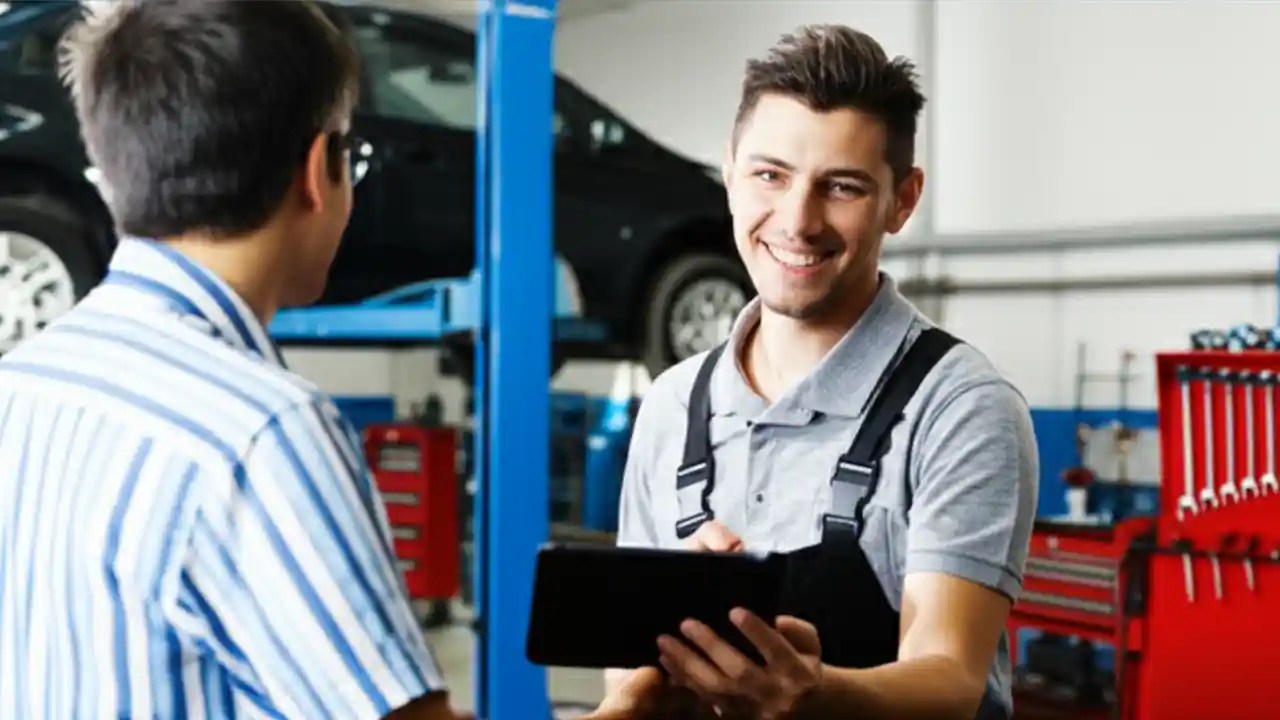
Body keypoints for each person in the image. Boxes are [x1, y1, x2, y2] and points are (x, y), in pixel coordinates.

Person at [598, 24, 1039, 720]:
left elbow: (951, 679)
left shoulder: (959, 407)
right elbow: (625, 681)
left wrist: (815, 695)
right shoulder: (674, 407)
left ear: (903, 199)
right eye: (769, 175)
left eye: (841, 187)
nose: (797, 221)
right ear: (730, 171)